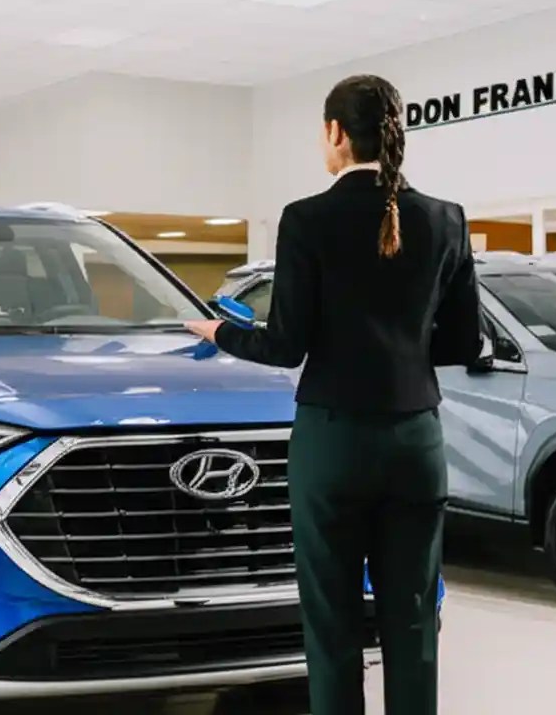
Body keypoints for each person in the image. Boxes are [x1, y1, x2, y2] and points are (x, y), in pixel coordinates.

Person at [184, 74, 483, 715]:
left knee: (333, 623)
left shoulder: (306, 219)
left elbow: (285, 345)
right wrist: (401, 349)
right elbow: (465, 342)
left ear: (335, 133)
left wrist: (220, 332)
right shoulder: (446, 219)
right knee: (412, 621)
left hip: (332, 442)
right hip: (415, 441)